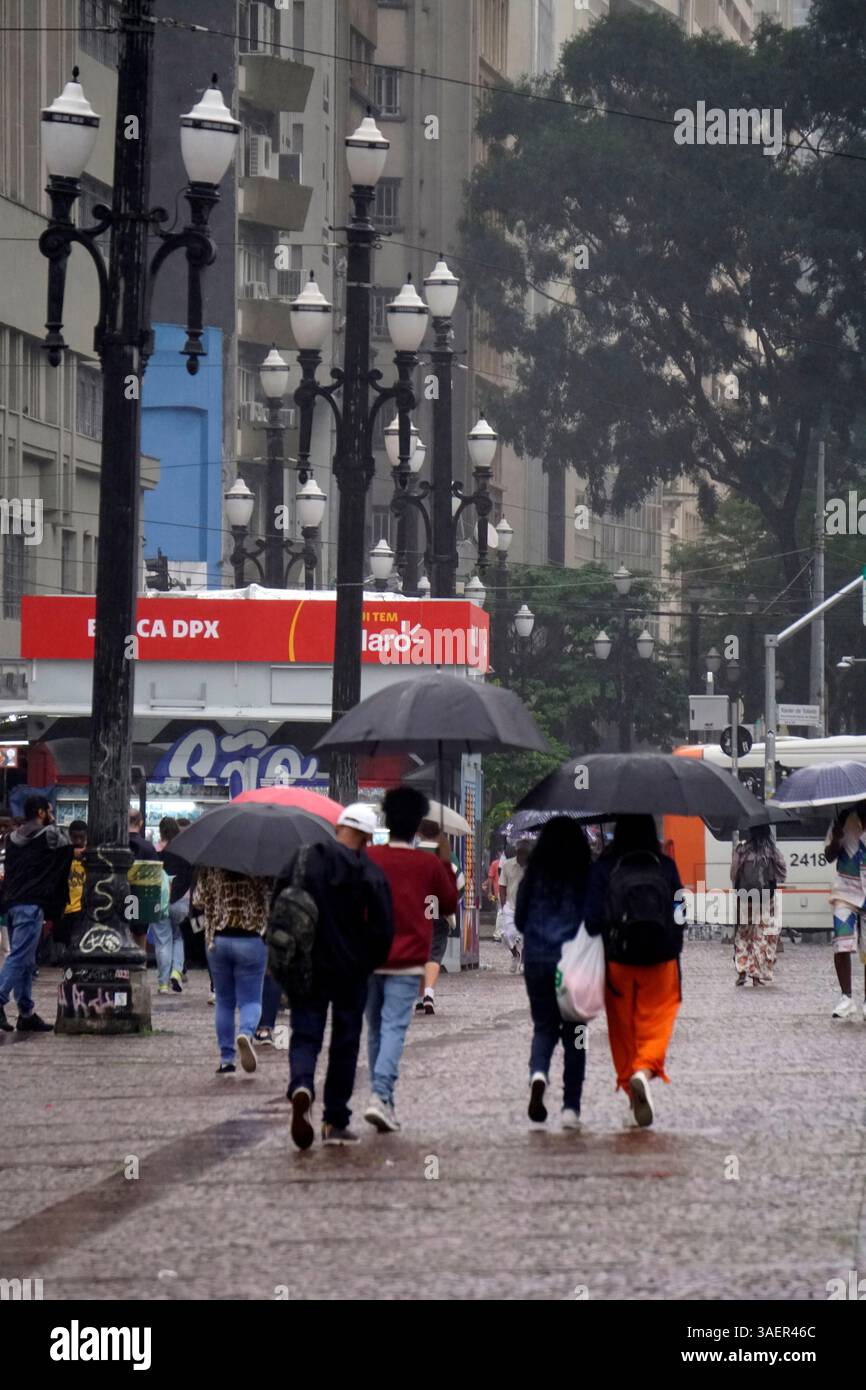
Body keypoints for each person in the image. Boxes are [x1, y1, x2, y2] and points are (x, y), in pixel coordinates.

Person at [279, 804, 393, 1149]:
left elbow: (279, 904)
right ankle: (334, 1121)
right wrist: (367, 961)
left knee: (305, 1034)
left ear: (341, 825)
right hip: (350, 970)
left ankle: (302, 1084)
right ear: (366, 836)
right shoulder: (369, 872)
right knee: (345, 1042)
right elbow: (384, 928)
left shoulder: (303, 860)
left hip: (306, 965)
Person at [364, 787, 458, 1132]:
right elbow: (448, 904)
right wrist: (445, 860)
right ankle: (380, 1094)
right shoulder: (427, 864)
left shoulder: (370, 857)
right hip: (406, 960)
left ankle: (383, 1098)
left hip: (369, 956)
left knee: (374, 1028)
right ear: (418, 825)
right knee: (393, 1028)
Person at [583, 815, 683, 1129]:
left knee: (623, 1030)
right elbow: (680, 910)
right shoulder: (665, 866)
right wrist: (674, 943)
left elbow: (591, 921)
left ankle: (631, 1089)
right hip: (662, 958)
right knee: (657, 1020)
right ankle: (645, 1070)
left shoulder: (605, 866)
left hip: (619, 961)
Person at [515, 818, 592, 1130]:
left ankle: (538, 1073)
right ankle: (571, 1108)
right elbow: (594, 918)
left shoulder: (532, 876)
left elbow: (519, 921)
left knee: (544, 1026)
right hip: (574, 962)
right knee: (575, 1032)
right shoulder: (585, 875)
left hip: (537, 959)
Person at [191, 866, 273, 1074]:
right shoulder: (261, 864)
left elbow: (198, 900)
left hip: (218, 938)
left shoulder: (211, 864)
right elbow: (270, 898)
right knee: (252, 1000)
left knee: (225, 1002)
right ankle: (245, 1032)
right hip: (252, 937)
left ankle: (227, 1059)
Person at [0, 795, 71, 1033]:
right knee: (19, 956)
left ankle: (26, 1012)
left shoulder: (11, 838)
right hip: (31, 905)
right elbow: (67, 845)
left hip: (11, 903)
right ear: (41, 812)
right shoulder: (48, 835)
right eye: (49, 811)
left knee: (27, 962)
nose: (51, 814)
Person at [414, 817, 465, 1015]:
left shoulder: (413, 854)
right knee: (434, 953)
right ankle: (428, 995)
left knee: (420, 953)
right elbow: (460, 886)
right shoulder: (449, 856)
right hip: (438, 909)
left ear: (419, 833)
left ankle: (419, 998)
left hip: (417, 911)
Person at [824, 801, 866, 1020]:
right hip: (845, 891)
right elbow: (828, 856)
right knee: (842, 941)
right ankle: (846, 997)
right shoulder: (842, 819)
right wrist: (838, 838)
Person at [730, 825, 787, 986]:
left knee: (743, 933)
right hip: (764, 897)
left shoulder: (742, 850)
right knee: (760, 934)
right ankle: (756, 975)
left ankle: (741, 971)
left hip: (745, 897)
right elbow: (782, 871)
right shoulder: (771, 851)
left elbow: (733, 873)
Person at [153, 817, 189, 995]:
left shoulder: (155, 850)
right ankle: (176, 971)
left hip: (159, 901)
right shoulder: (184, 851)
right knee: (179, 938)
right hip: (181, 901)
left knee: (162, 941)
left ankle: (163, 984)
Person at [53, 820, 87, 962]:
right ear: (70, 836)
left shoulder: (88, 856)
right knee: (64, 939)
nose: (78, 841)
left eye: (81, 837)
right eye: (75, 837)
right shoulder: (63, 854)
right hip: (65, 906)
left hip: (80, 906)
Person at [499, 840, 531, 972]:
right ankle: (515, 955)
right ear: (517, 853)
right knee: (507, 935)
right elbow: (502, 886)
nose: (523, 856)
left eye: (526, 853)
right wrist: (502, 904)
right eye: (521, 853)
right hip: (510, 906)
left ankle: (523, 961)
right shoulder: (507, 865)